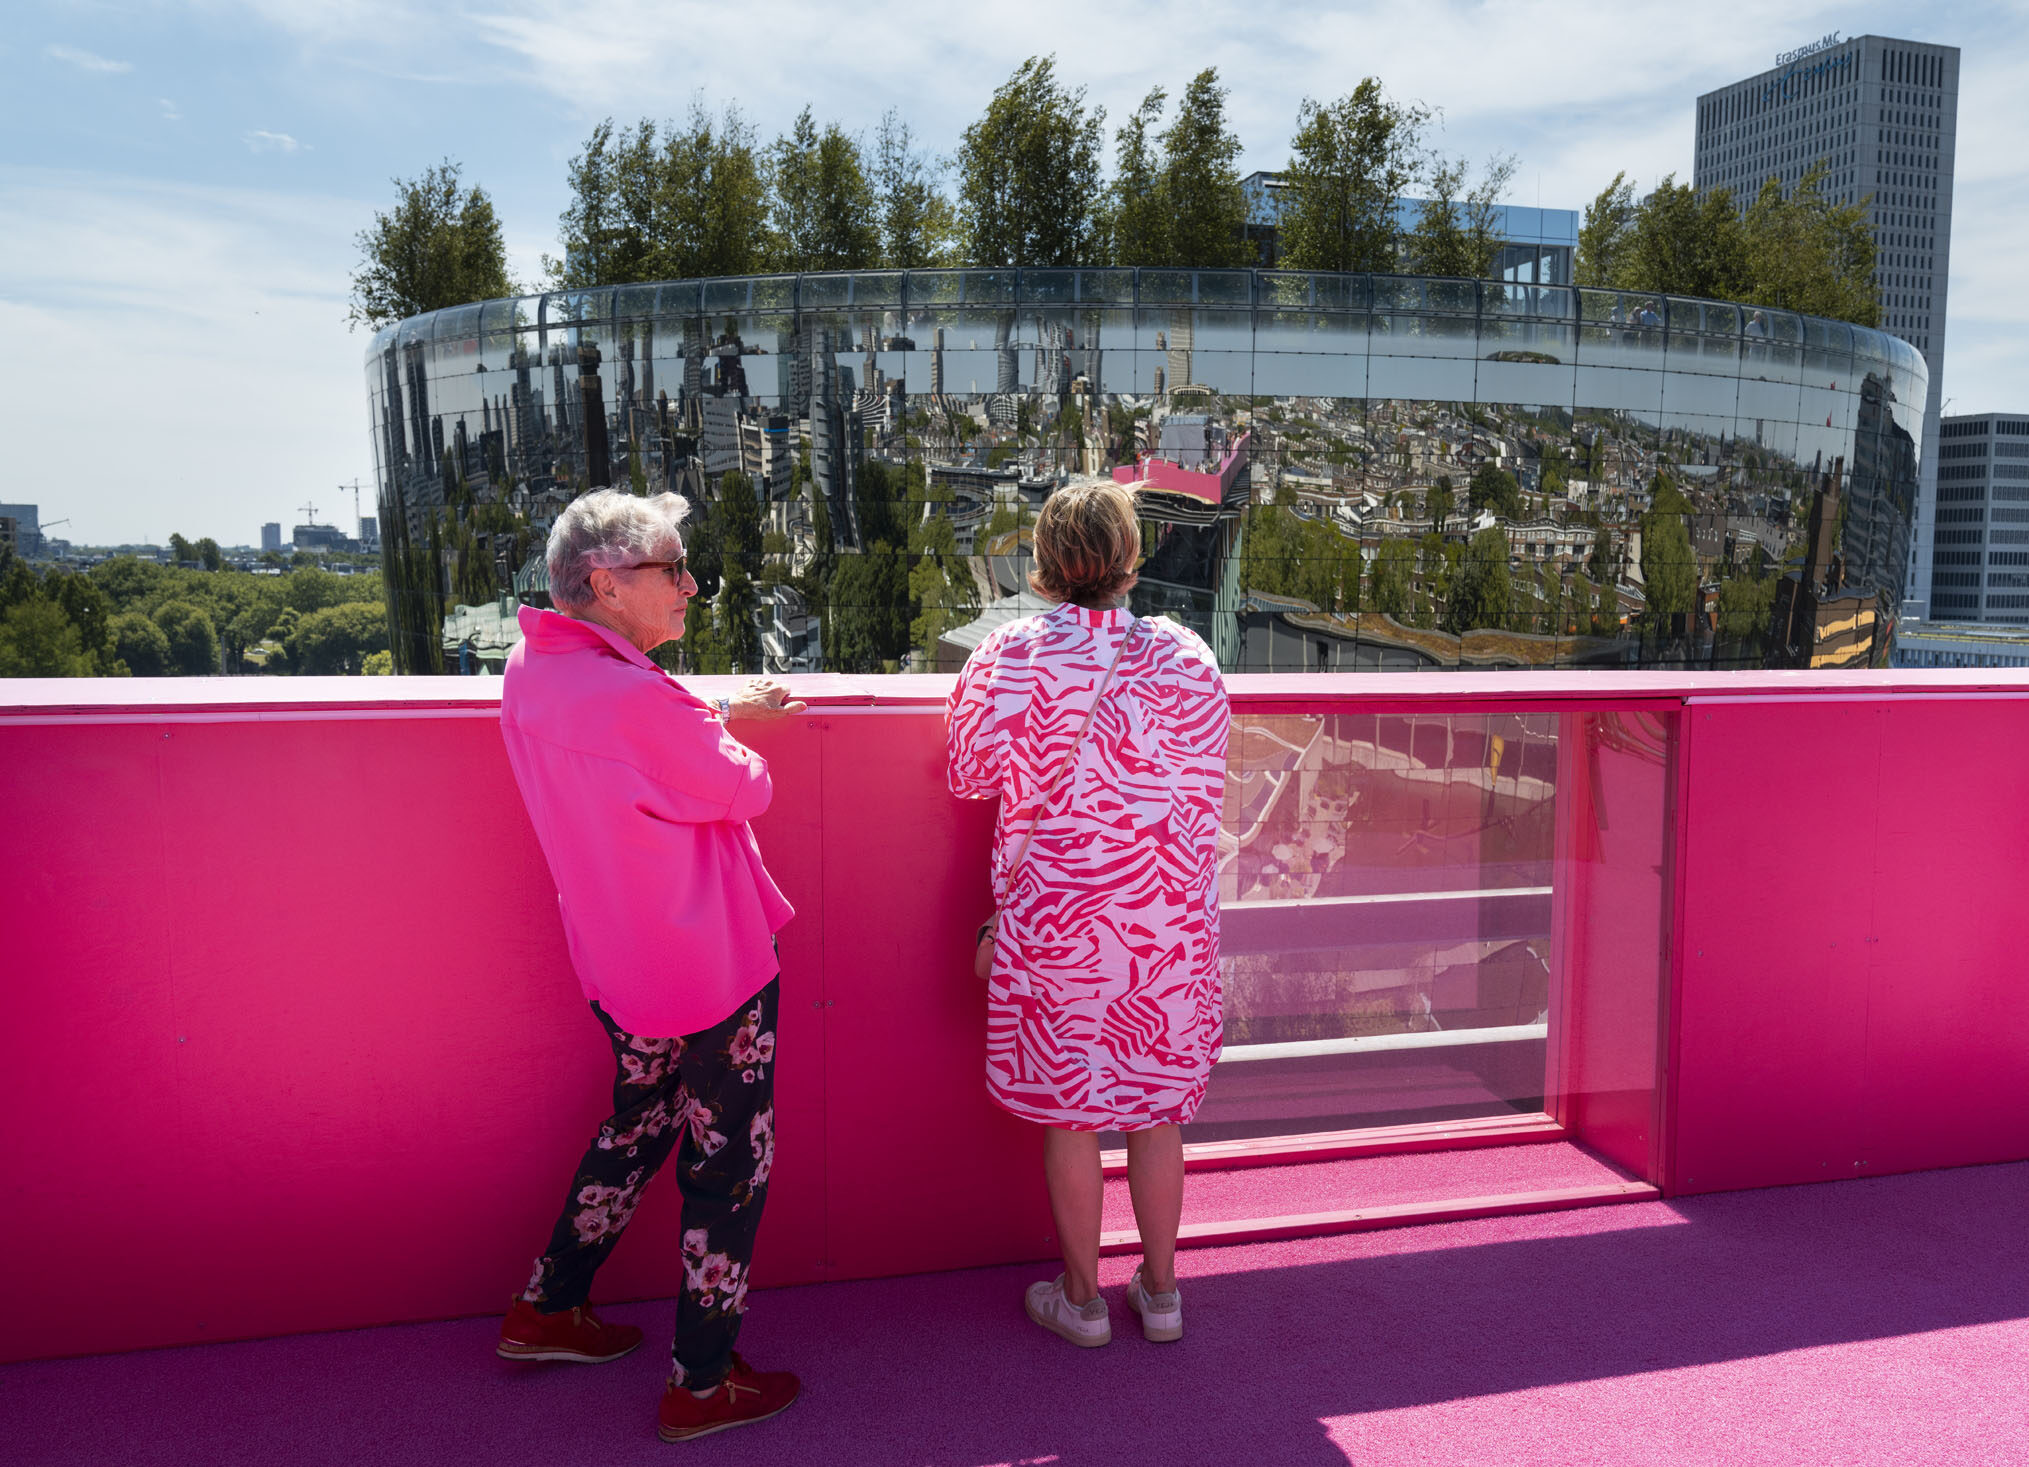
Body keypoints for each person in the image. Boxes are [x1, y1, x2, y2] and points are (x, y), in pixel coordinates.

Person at [493, 488, 806, 1443]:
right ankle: (700, 1383)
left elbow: (634, 740)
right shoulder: (637, 699)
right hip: (709, 967)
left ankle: (547, 1308)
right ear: (605, 583)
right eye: (672, 569)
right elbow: (743, 784)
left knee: (638, 1125)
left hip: (618, 960)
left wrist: (700, 704)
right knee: (729, 1165)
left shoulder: (530, 667)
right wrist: (719, 713)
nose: (690, 585)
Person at [945, 477, 1230, 1348]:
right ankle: (1163, 1290)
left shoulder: (1010, 655)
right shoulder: (1189, 656)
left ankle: (1081, 1298)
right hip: (1165, 923)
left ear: (1043, 567)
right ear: (1131, 560)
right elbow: (1202, 782)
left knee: (1071, 1114)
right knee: (1155, 1112)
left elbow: (966, 773)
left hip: (1060, 918)